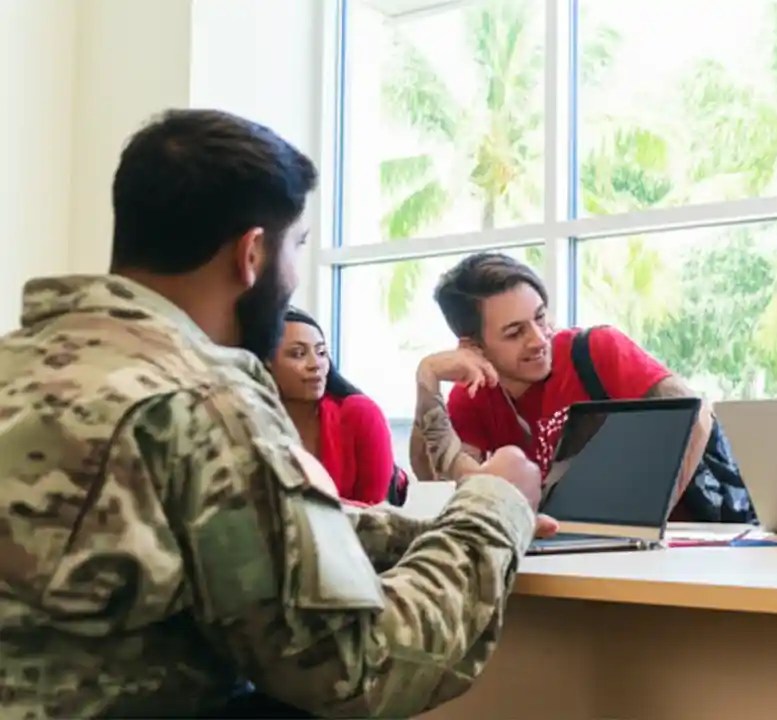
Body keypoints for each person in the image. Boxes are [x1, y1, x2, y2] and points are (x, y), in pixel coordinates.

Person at [0, 108, 556, 718]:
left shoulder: (25, 364)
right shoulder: (199, 398)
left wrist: (428, 531)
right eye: (297, 247)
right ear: (252, 254)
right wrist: (495, 507)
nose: (293, 277)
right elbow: (356, 666)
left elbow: (242, 523)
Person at [409, 252, 714, 519]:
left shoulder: (596, 349)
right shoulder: (474, 393)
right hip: (564, 549)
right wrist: (428, 380)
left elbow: (696, 415)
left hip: (677, 543)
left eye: (540, 318)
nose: (539, 340)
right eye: (515, 333)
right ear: (474, 347)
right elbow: (439, 477)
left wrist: (646, 517)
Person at [270, 307, 400, 505]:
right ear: (265, 363)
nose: (316, 364)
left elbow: (374, 516)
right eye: (298, 354)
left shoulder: (361, 414)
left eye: (321, 352)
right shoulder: (248, 418)